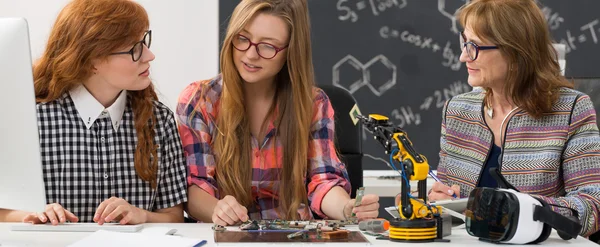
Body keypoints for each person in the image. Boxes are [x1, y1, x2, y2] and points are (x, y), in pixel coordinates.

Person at [177, 0, 379, 225]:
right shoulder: (199, 101)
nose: (251, 55)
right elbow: (195, 188)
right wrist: (218, 209)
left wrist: (346, 208)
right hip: (225, 234)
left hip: (291, 235)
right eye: (242, 39)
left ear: (290, 51)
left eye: (268, 46)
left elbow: (323, 181)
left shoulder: (314, 105)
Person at [1, 0, 187, 225]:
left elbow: (174, 217)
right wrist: (32, 216)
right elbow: (3, 211)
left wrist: (143, 216)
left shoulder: (160, 121)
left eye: (145, 41)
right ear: (92, 61)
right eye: (135, 49)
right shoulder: (31, 121)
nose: (149, 55)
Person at [429, 0, 600, 237]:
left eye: (474, 46)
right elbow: (446, 191)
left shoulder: (571, 110)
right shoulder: (457, 110)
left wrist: (524, 209)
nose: (463, 57)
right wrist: (439, 199)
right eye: (464, 42)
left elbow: (593, 205)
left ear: (515, 51)